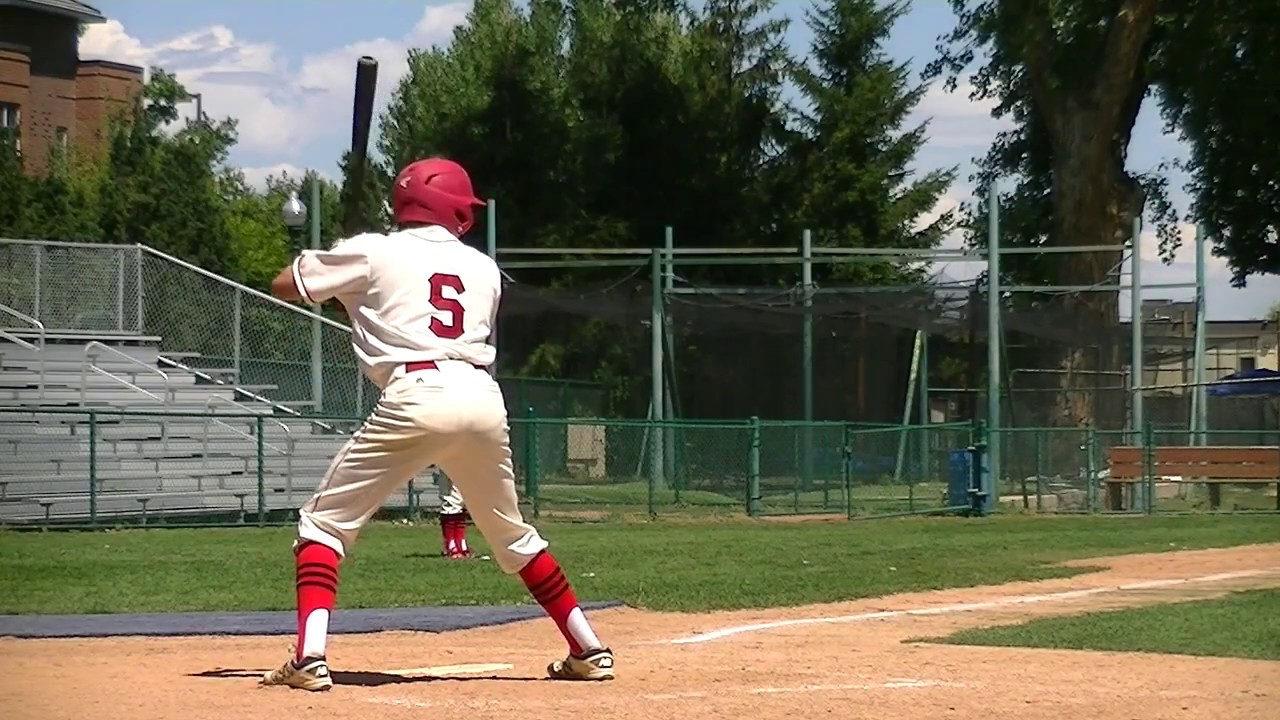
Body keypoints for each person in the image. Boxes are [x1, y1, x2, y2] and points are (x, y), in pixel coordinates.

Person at [259, 157, 615, 691]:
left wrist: (330, 261)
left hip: (417, 394)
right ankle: (588, 647)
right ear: (457, 211)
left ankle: (309, 657)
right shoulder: (485, 268)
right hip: (480, 396)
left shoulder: (373, 249)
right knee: (511, 535)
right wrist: (349, 280)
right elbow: (413, 314)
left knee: (323, 525)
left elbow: (284, 285)